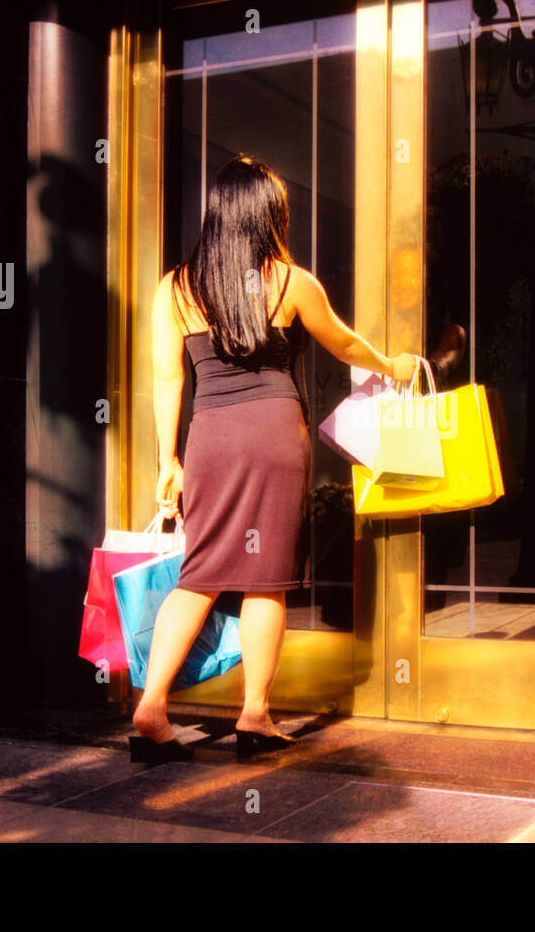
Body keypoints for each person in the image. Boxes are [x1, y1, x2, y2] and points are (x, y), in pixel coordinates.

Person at [130, 155, 419, 763]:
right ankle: (255, 715)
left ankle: (151, 708)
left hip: (209, 437)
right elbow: (341, 342)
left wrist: (168, 459)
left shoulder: (175, 287)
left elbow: (166, 381)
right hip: (274, 438)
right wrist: (393, 366)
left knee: (200, 575)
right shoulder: (289, 282)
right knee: (269, 580)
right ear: (267, 216)